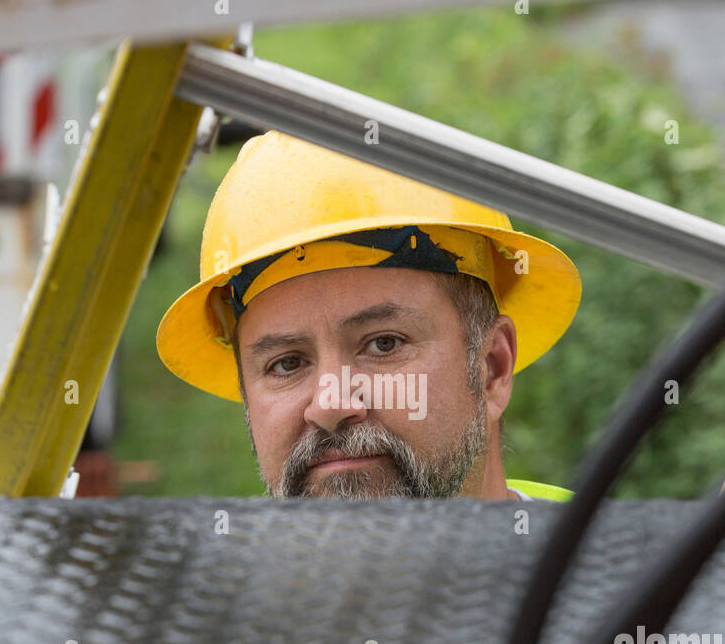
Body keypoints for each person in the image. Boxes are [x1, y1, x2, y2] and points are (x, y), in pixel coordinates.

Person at [157, 131, 581, 501]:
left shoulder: (623, 583)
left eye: (384, 343)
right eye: (287, 363)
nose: (330, 405)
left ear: (491, 368)